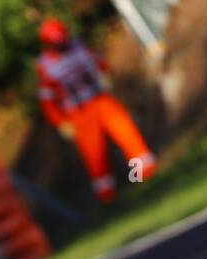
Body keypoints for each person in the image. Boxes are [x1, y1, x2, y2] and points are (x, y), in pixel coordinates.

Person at [35, 17, 156, 203]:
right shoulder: (45, 66)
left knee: (126, 133)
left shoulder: (79, 47)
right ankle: (108, 197)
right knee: (95, 156)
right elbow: (48, 100)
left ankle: (146, 173)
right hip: (79, 113)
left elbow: (99, 63)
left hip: (101, 100)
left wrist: (105, 75)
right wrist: (61, 122)